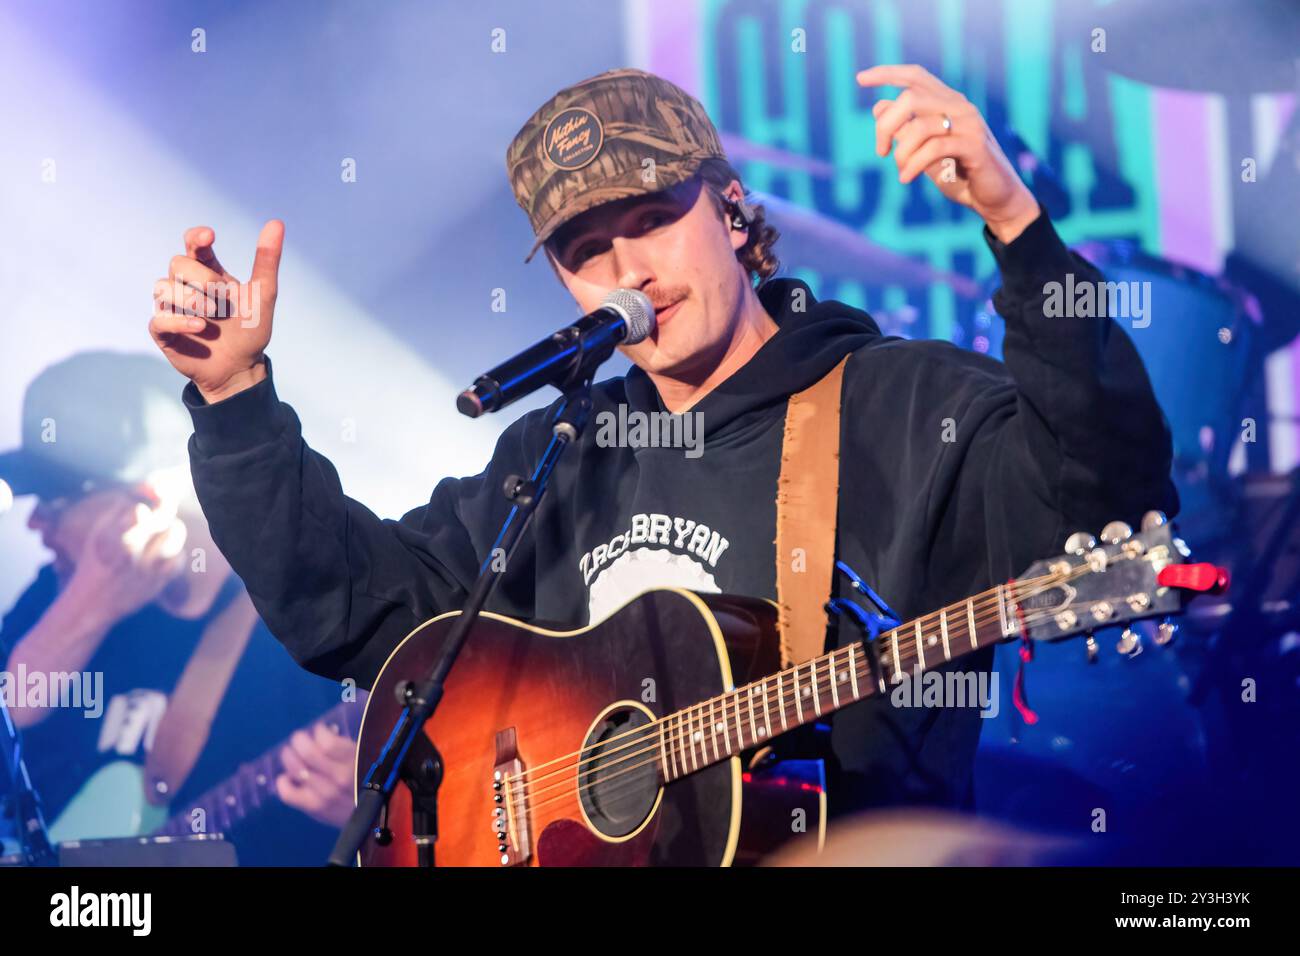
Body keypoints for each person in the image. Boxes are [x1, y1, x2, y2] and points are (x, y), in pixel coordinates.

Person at [147, 66, 1177, 821]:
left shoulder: (901, 405)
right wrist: (234, 397)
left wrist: (1016, 226)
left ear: (730, 210)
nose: (625, 266)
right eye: (583, 249)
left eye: (651, 217)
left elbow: (1102, 497)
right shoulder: (554, 457)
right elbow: (353, 611)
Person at [0, 352, 360, 864]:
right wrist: (86, 608)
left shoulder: (306, 609)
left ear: (146, 502)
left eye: (55, 504)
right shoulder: (54, 593)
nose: (36, 525)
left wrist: (371, 815)